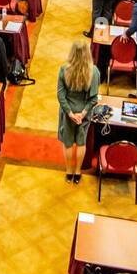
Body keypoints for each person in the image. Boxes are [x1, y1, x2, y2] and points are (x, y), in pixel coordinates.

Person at [57, 39, 100, 184]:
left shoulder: (64, 69)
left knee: (68, 142)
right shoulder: (93, 71)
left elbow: (60, 95)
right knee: (81, 142)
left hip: (67, 112)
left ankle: (69, 172)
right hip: (84, 113)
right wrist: (82, 114)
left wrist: (69, 113)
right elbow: (94, 98)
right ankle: (77, 172)